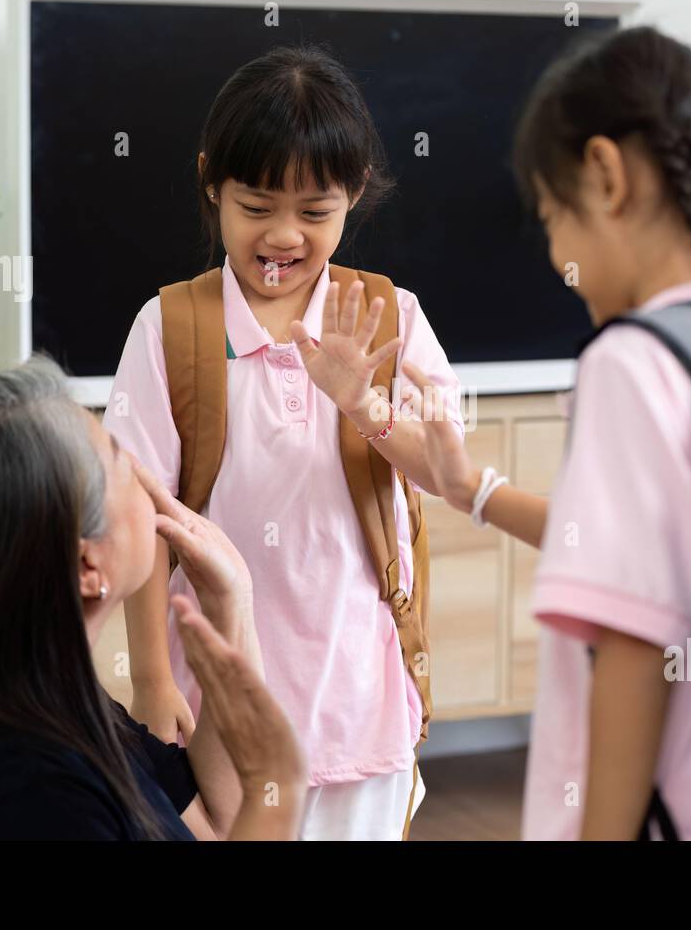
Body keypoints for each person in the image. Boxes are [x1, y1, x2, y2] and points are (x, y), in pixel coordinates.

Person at [404, 25, 691, 840]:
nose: (554, 254)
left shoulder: (628, 365)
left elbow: (633, 645)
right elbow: (650, 556)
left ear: (606, 176)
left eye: (549, 218)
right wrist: (472, 488)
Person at [105, 44, 464, 840]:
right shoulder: (168, 330)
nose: (283, 236)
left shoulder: (391, 316)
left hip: (363, 697)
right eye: (257, 205)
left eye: (314, 212)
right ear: (212, 184)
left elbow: (445, 472)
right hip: (222, 706)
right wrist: (154, 680)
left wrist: (363, 401)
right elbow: (141, 517)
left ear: (355, 194)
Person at [0, 358, 305, 840]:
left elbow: (216, 823)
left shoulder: (46, 703)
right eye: (121, 461)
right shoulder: (43, 798)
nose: (147, 480)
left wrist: (231, 604)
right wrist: (275, 794)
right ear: (87, 567)